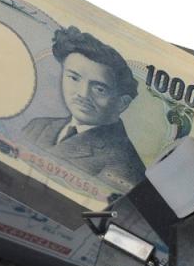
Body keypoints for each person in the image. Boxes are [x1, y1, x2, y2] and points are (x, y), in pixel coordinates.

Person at [22, 26, 145, 191]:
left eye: (99, 89)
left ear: (122, 103)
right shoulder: (36, 126)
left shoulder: (124, 167)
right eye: (74, 78)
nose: (82, 94)